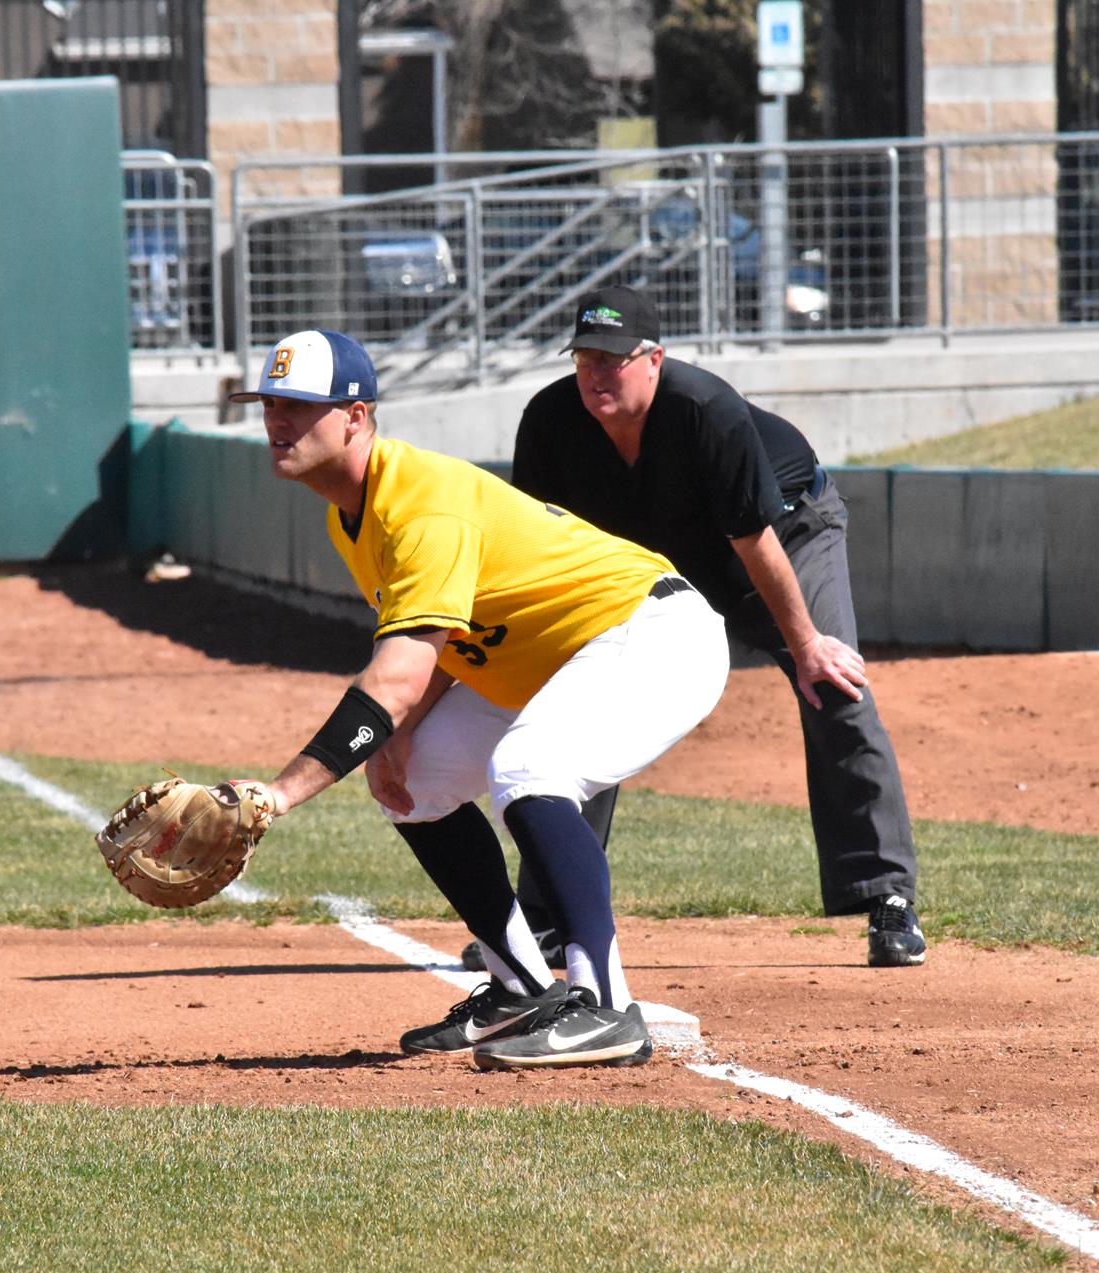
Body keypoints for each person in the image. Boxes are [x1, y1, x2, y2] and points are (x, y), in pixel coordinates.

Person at [228, 328, 729, 1069]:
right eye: (269, 403)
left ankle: (606, 1005)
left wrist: (275, 796)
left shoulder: (419, 506)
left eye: (298, 405)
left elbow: (395, 678)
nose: (277, 420)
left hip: (650, 633)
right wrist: (398, 733)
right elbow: (438, 641)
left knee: (529, 769)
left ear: (356, 417)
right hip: (551, 659)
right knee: (415, 783)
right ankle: (522, 985)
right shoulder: (351, 512)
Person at [485, 284, 926, 969]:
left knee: (831, 681)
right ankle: (549, 915)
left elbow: (754, 540)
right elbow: (536, 545)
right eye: (585, 359)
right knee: (582, 701)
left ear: (654, 360)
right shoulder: (550, 421)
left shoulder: (703, 410)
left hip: (782, 535)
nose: (596, 374)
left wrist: (807, 645)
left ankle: (887, 895)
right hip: (653, 560)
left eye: (613, 359)